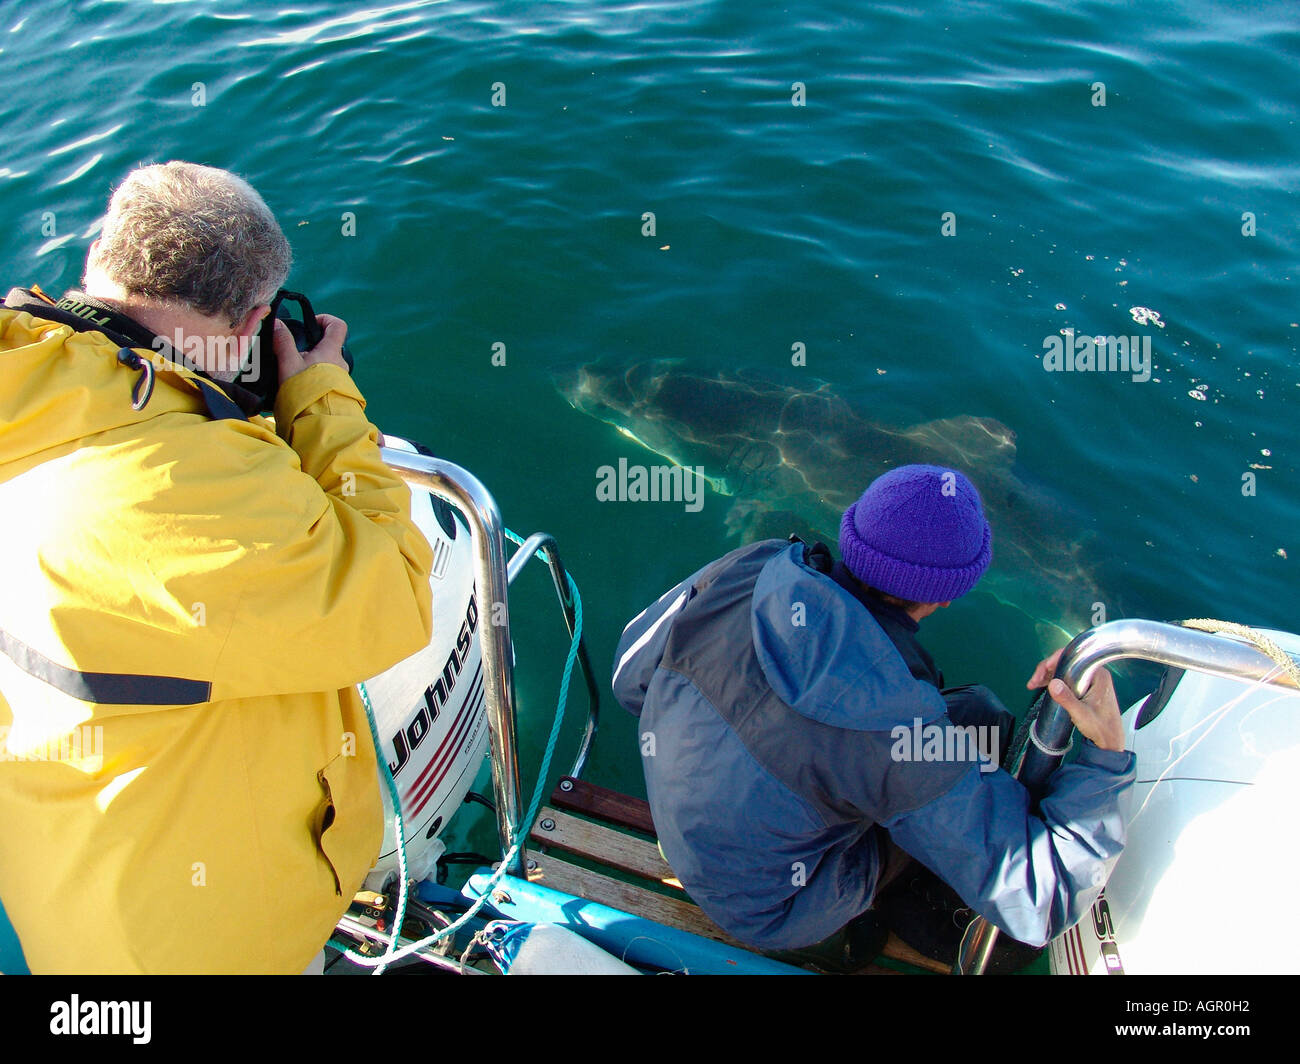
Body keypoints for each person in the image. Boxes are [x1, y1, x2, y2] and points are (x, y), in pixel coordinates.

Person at [0, 162, 434, 973]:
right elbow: (392, 595)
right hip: (204, 947)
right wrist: (321, 400)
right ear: (253, 324)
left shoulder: (28, 387)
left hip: (66, 916)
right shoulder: (178, 479)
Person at [612, 464, 1134, 960]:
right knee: (982, 723)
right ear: (946, 596)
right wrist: (1106, 754)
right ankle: (836, 931)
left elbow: (629, 681)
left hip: (677, 826)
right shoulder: (901, 730)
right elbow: (1044, 898)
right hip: (769, 909)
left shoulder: (753, 565)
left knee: (967, 718)